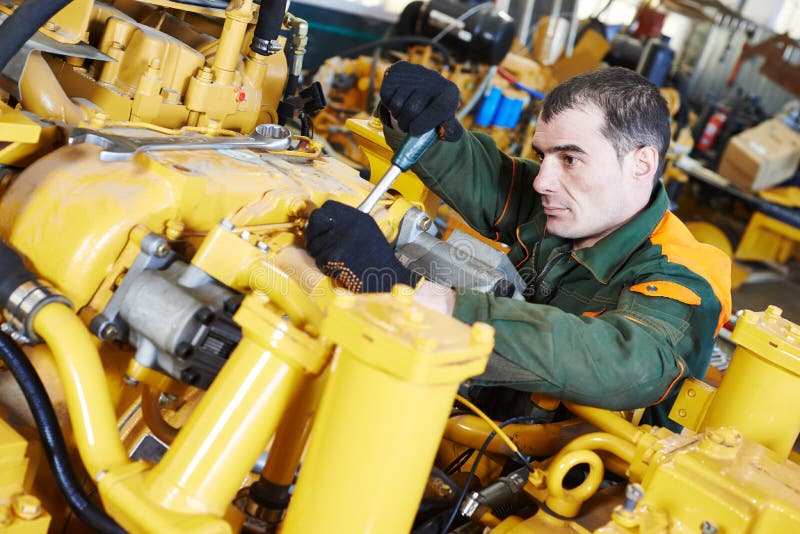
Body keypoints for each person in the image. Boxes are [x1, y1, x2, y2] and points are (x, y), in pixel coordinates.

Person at [305, 62, 732, 429]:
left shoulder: (684, 271)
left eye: (570, 159)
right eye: (544, 156)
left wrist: (423, 300)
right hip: (487, 422)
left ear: (642, 163)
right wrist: (414, 119)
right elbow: (486, 175)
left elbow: (627, 361)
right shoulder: (571, 205)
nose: (544, 180)